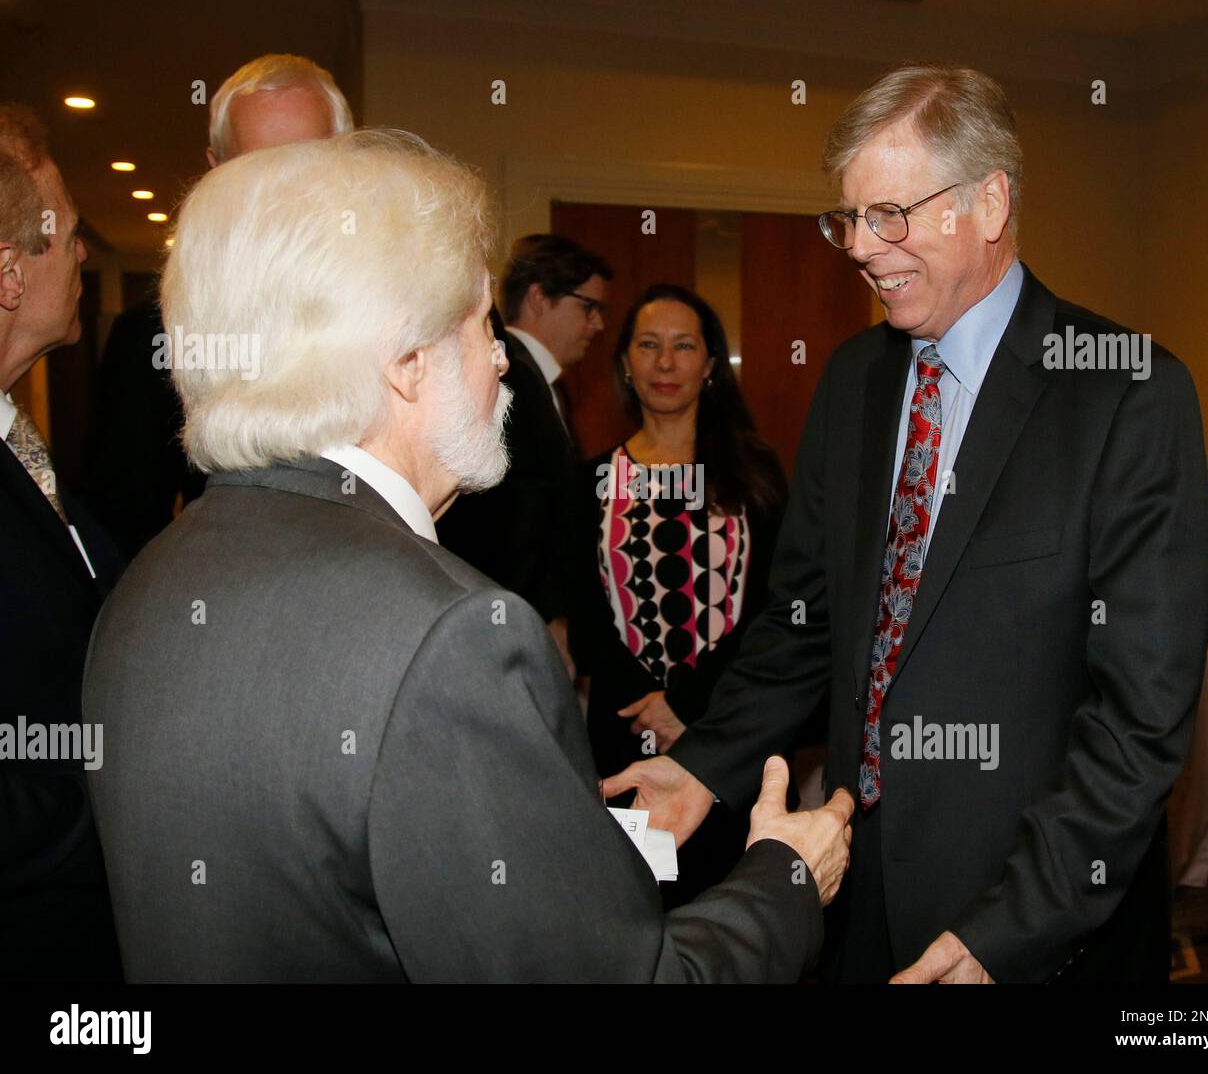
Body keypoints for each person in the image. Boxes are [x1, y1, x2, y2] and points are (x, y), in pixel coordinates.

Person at [83, 129, 854, 983]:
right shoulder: (450, 636)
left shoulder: (145, 582)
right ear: (408, 364)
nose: (499, 360)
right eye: (482, 325)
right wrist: (787, 875)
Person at [604, 63, 1208, 984]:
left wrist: (1011, 930)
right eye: (847, 218)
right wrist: (704, 765)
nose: (859, 246)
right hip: (852, 886)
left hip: (1027, 916)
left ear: (992, 202)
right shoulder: (855, 381)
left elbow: (1139, 718)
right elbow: (803, 623)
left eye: (892, 214)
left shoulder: (1125, 391)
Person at [84, 53, 354, 560]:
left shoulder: (417, 306)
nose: (282, 191)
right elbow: (123, 530)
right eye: (255, 166)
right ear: (214, 170)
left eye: (306, 161)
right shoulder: (155, 336)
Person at [570, 284, 787, 907]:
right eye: (649, 345)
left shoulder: (755, 472)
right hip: (623, 735)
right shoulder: (590, 481)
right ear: (626, 363)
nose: (666, 364)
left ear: (711, 365)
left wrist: (687, 702)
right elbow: (584, 619)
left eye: (684, 346)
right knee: (632, 912)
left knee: (731, 918)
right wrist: (649, 707)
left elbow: (779, 609)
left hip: (729, 733)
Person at [0, 104, 122, 981]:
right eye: (70, 237)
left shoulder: (19, 435)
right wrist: (126, 792)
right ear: (9, 274)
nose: (84, 256)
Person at [436, 234, 612, 669]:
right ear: (538, 296)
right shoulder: (505, 374)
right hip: (493, 624)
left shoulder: (549, 385)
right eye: (588, 306)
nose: (598, 325)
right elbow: (508, 518)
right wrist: (541, 616)